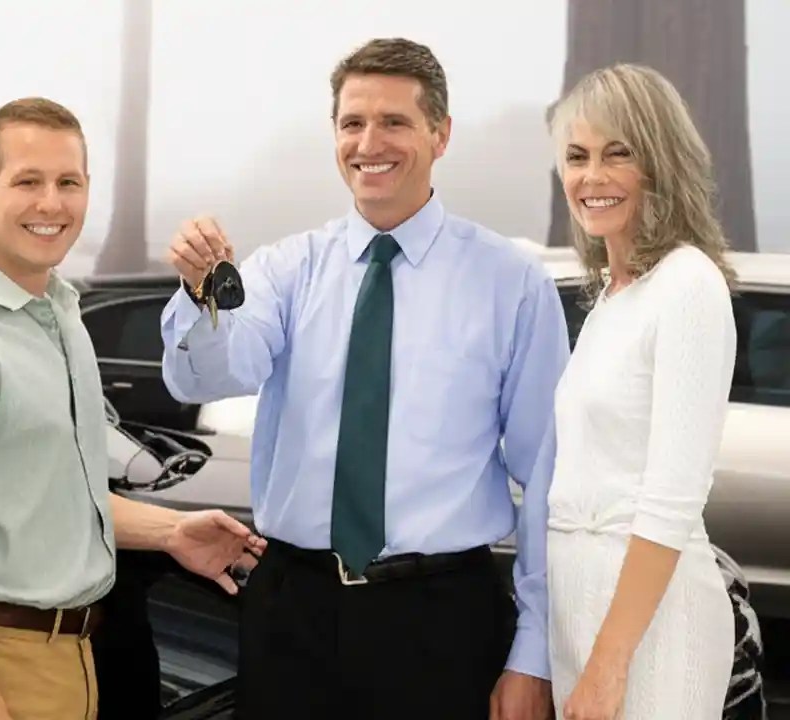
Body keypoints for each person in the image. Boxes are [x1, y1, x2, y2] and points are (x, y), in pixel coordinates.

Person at [159, 38, 570, 719]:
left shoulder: (511, 283)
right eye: (352, 123)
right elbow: (208, 375)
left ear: (440, 135)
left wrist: (533, 652)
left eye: (394, 122)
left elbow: (549, 476)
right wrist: (202, 296)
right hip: (296, 612)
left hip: (442, 618)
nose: (368, 142)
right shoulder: (284, 271)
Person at [0, 97, 266, 720]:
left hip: (65, 663)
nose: (51, 203)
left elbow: (46, 495)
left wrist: (169, 534)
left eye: (68, 183)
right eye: (28, 181)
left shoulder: (56, 313)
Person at [544, 63, 737, 720]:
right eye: (577, 157)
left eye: (616, 154)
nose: (590, 177)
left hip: (646, 628)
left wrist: (608, 663)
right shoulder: (611, 298)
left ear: (659, 163)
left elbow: (673, 496)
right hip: (582, 612)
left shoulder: (688, 284)